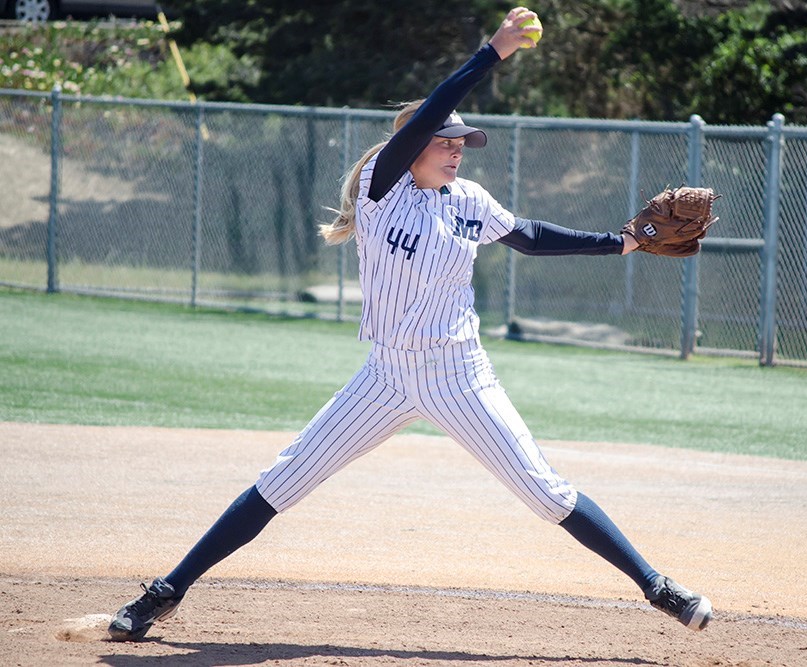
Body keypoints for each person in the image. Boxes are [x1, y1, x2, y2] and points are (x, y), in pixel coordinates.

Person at [107, 7, 712, 642]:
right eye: (446, 141)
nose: (457, 150)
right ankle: (164, 592)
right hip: (385, 376)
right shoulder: (382, 190)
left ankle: (657, 587)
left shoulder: (469, 200)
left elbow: (530, 237)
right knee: (282, 481)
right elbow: (432, 110)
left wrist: (621, 241)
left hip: (461, 376)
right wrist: (493, 52)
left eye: (461, 143)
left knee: (547, 494)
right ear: (413, 146)